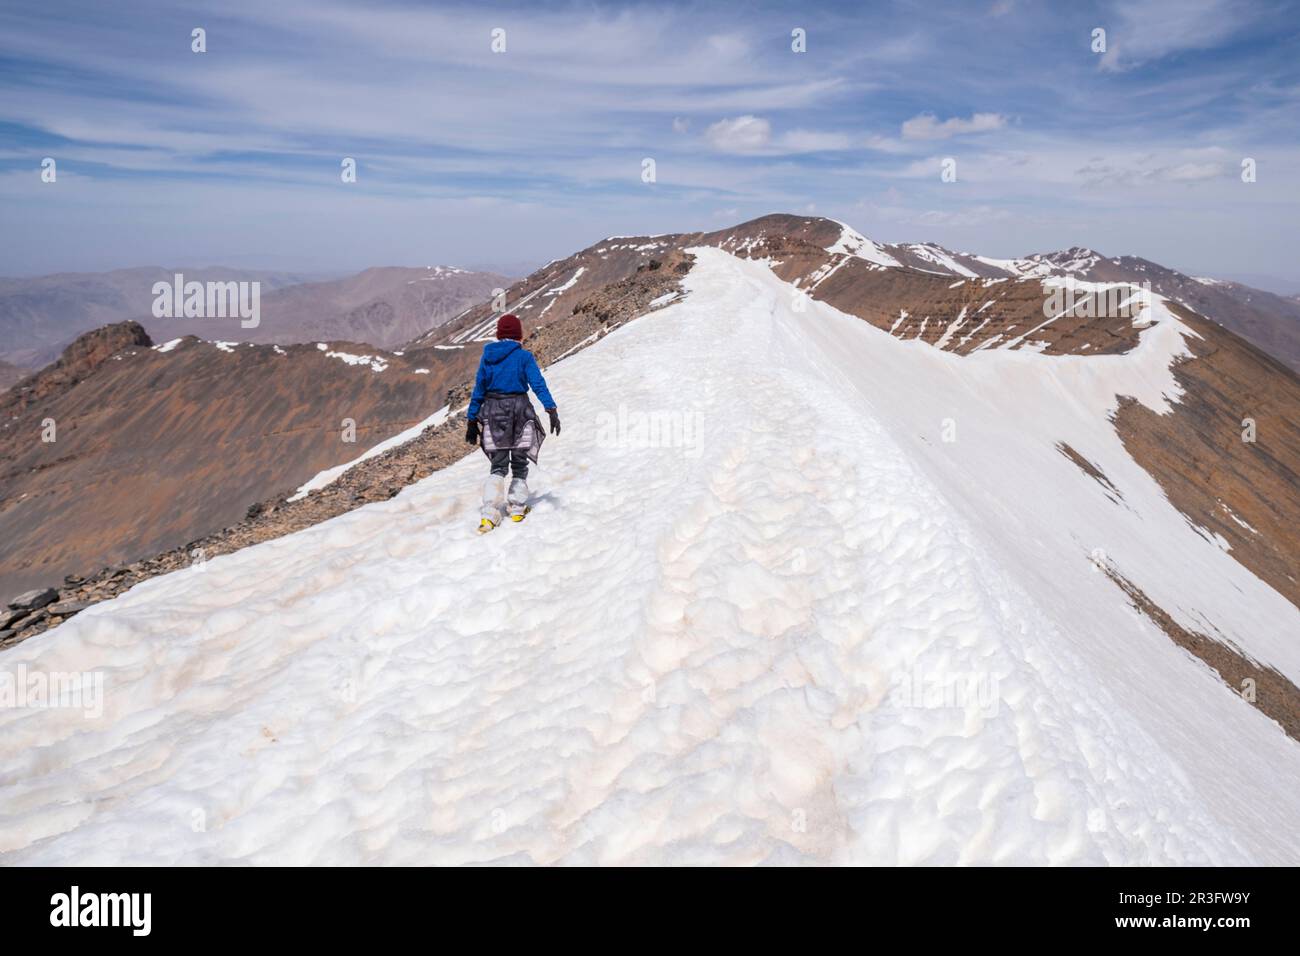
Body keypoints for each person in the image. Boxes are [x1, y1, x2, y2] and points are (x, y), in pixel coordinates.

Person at [464, 313, 560, 532]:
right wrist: (551, 408)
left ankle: (489, 515)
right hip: (520, 413)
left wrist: (472, 420)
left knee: (497, 466)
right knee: (519, 462)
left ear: (499, 335)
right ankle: (516, 508)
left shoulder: (488, 357)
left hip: (494, 413)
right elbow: (538, 384)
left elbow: (479, 390)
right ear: (518, 335)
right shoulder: (524, 357)